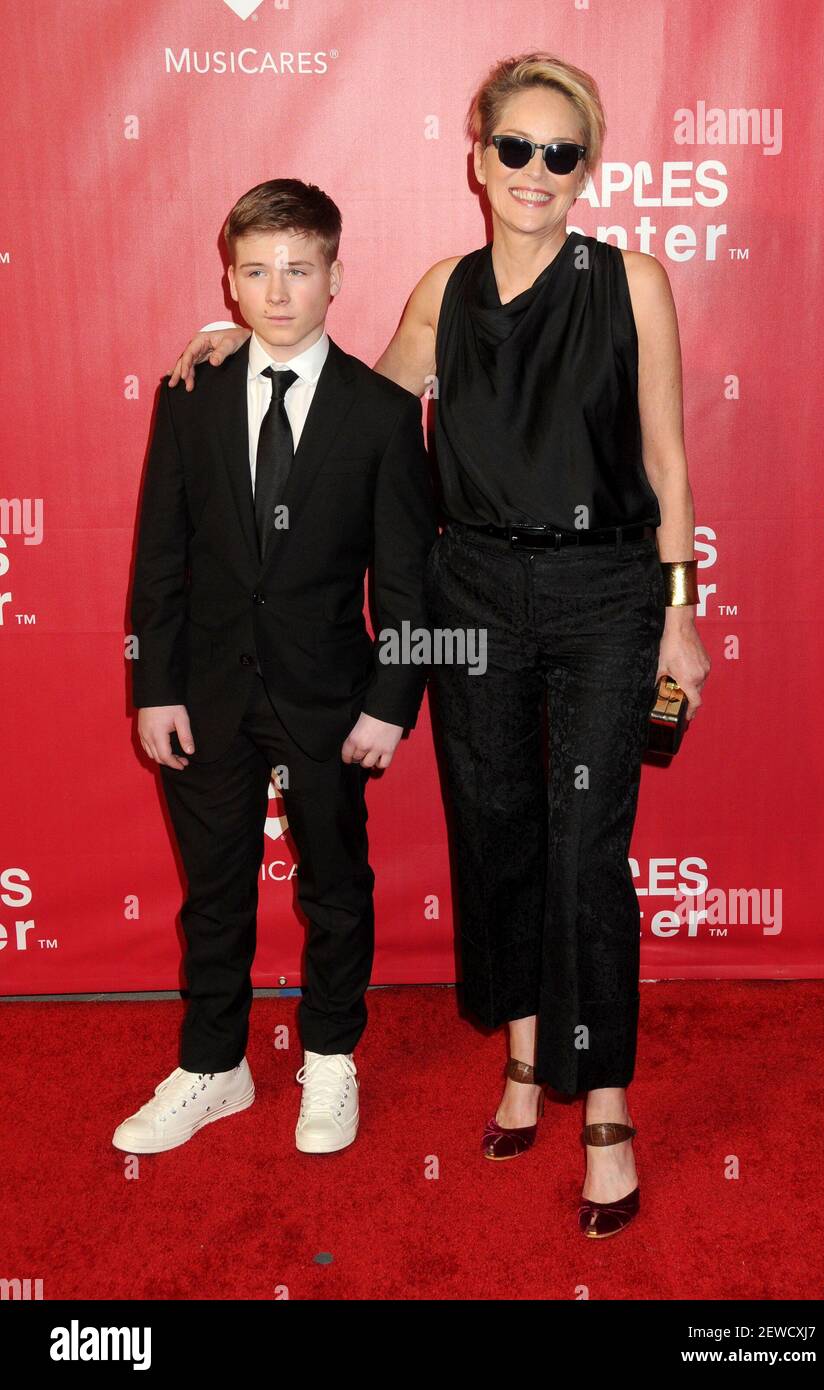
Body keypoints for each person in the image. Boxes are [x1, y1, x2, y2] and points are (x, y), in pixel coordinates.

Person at [169, 53, 711, 1238]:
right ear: (475, 157)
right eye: (512, 147)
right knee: (498, 832)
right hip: (468, 595)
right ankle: (524, 1057)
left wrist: (679, 607)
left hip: (608, 593)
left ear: (587, 170)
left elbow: (667, 460)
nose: (533, 171)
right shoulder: (442, 290)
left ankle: (604, 1101)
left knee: (586, 852)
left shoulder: (629, 281)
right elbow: (355, 411)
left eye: (559, 153)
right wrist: (243, 343)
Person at [115, 178, 438, 1156]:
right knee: (213, 889)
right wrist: (154, 686)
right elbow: (159, 553)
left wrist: (392, 701)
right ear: (229, 282)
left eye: (299, 269)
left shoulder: (382, 415)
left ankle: (330, 1055)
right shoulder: (191, 395)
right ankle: (214, 1064)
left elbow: (411, 583)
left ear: (336, 276)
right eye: (256, 271)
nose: (278, 290)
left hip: (331, 697)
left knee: (333, 885)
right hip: (206, 694)